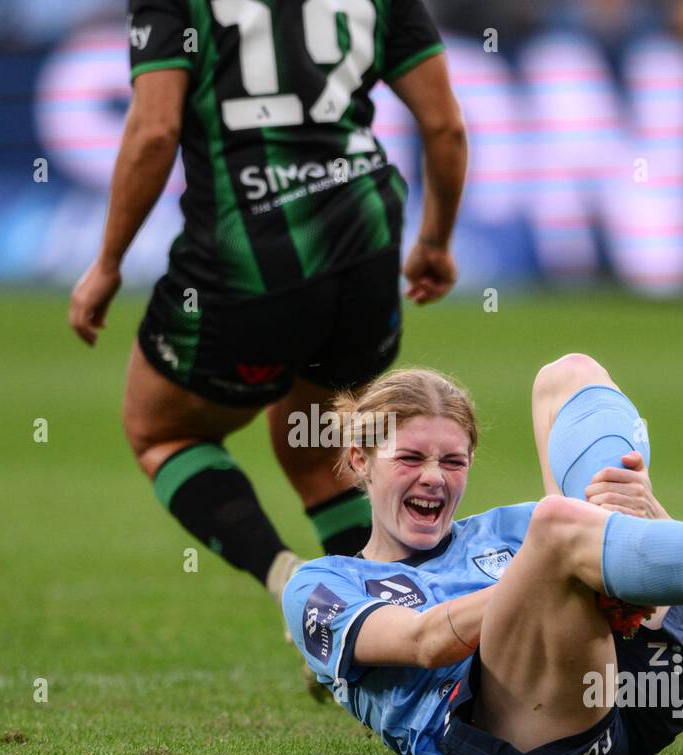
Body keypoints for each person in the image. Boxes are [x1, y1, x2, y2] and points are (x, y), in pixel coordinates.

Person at [282, 354, 683, 755]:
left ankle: (669, 541)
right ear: (361, 461)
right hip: (522, 734)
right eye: (411, 457)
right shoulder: (324, 583)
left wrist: (645, 511)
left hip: (645, 687)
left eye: (455, 461)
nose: (434, 479)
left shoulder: (507, 526)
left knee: (565, 376)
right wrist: (564, 581)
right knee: (558, 525)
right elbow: (420, 642)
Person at [67, 0, 468, 619]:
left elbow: (153, 131)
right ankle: (386, 629)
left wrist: (108, 263)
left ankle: (289, 581)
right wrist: (435, 241)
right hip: (366, 251)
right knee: (319, 453)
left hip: (248, 265)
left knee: (162, 430)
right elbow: (445, 127)